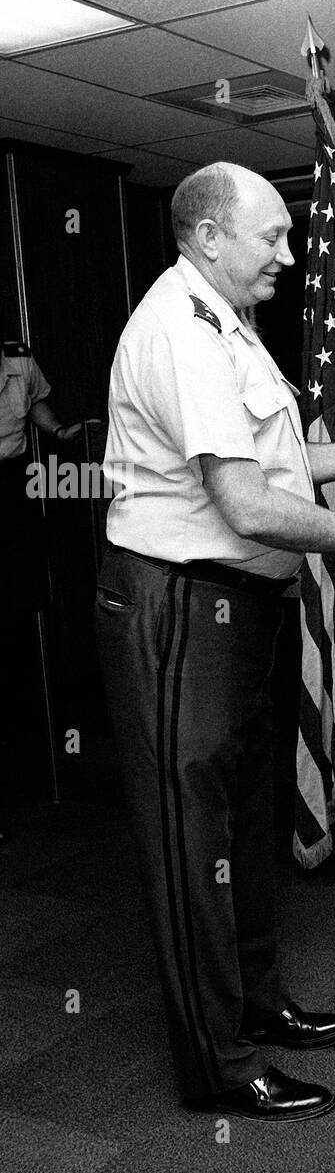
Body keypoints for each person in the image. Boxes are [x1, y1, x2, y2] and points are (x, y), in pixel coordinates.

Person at [96, 162, 335, 1122]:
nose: (289, 255)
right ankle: (216, 1061)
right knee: (189, 833)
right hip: (178, 608)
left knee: (240, 822)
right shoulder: (177, 330)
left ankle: (253, 1000)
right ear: (208, 236)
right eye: (271, 236)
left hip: (234, 610)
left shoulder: (223, 319)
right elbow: (243, 504)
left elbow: (267, 460)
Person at [0, 328, 81, 842]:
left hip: (10, 485)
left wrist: (60, 434)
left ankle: (32, 753)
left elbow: (36, 409)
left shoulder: (18, 361)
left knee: (21, 609)